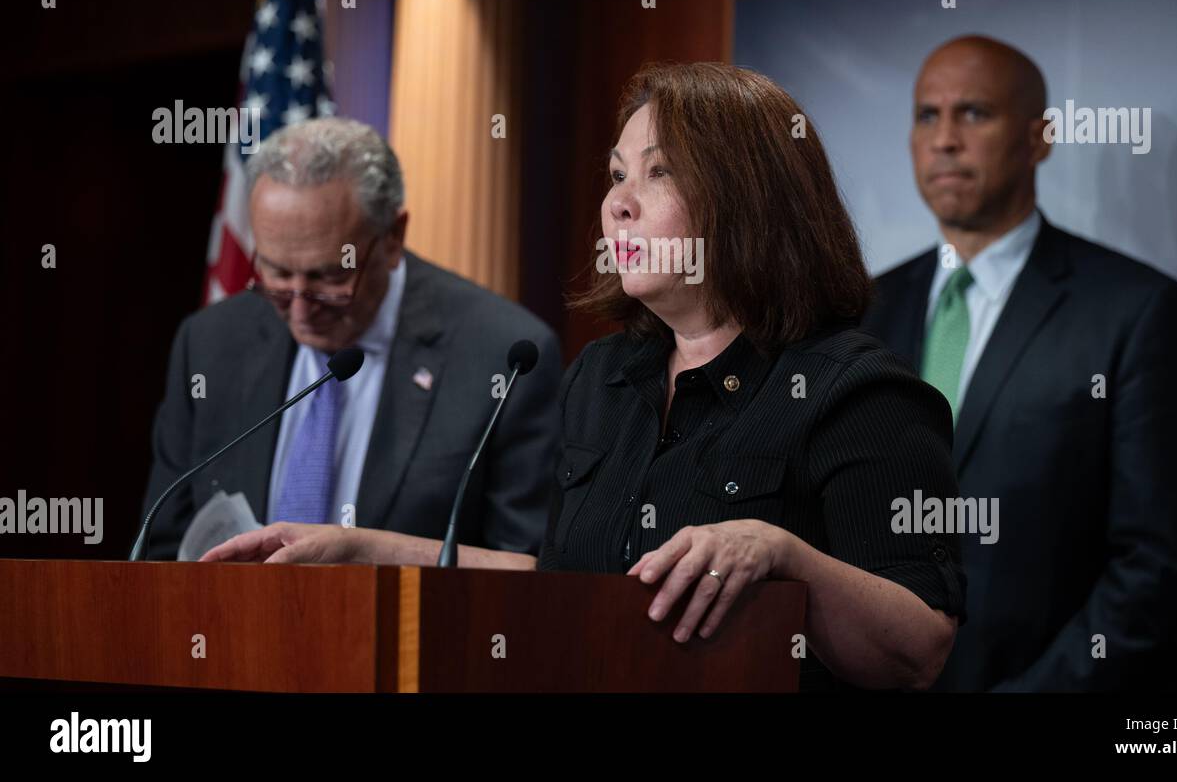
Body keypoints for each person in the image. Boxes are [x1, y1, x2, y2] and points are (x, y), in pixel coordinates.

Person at [202, 63, 967, 691]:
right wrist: (358, 547)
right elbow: (564, 579)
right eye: (615, 175)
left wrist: (783, 553)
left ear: (751, 197)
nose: (618, 205)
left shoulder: (860, 393)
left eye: (658, 173)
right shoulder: (605, 375)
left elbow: (922, 646)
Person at [862, 35, 1177, 690]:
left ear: (1040, 138)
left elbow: (1157, 564)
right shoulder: (861, 312)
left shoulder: (1139, 313)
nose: (945, 138)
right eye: (927, 115)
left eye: (974, 113)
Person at [141, 117, 562, 560]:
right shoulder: (210, 343)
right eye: (278, 274)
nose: (300, 308)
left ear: (393, 238)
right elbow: (162, 544)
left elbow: (527, 572)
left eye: (329, 276)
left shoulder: (502, 356)